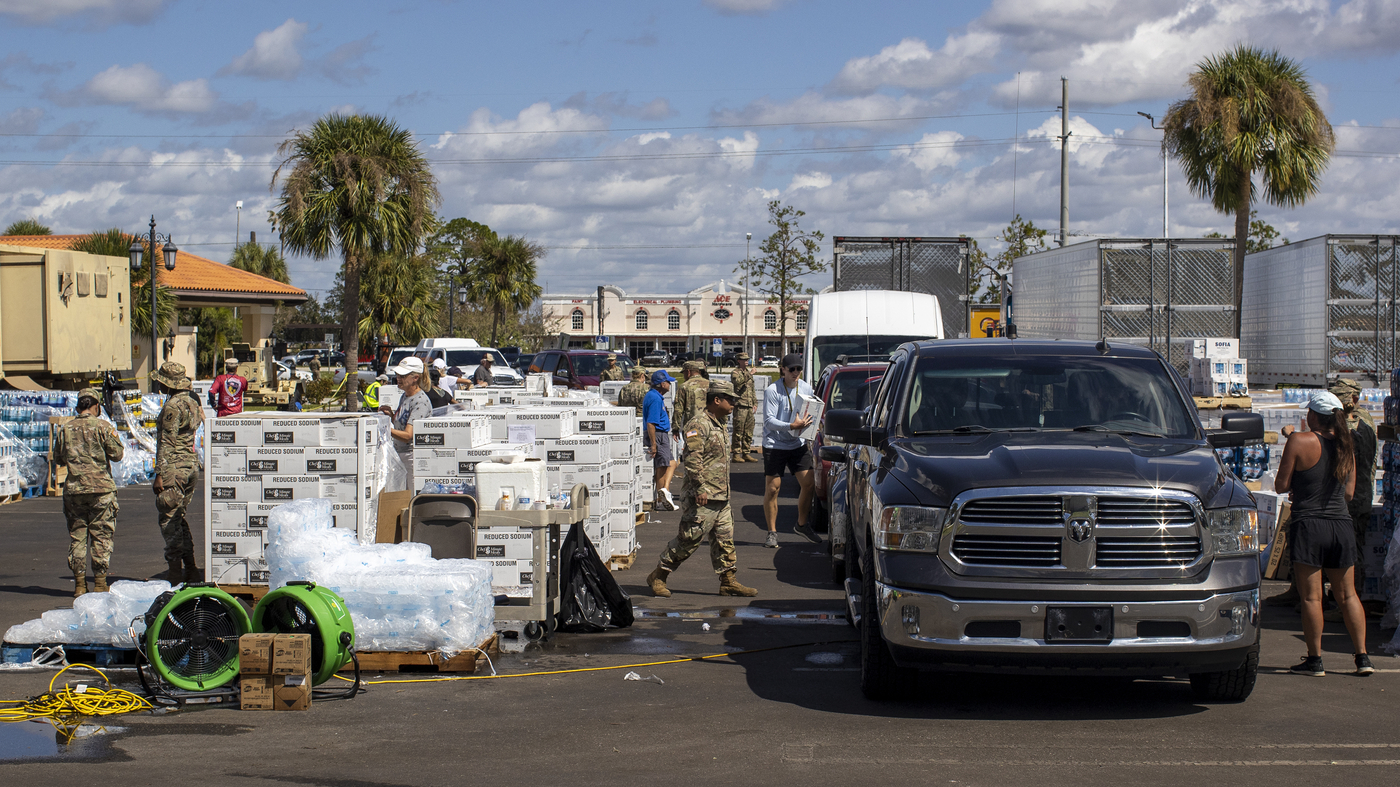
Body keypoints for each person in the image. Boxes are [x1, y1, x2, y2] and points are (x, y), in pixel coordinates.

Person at [1275, 390, 1373, 676]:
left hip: (1309, 525)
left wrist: (1301, 485)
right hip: (1340, 525)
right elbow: (1349, 493)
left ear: (1314, 416)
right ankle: (1363, 657)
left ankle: (1315, 660)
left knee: (1311, 598)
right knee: (1348, 595)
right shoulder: (1346, 446)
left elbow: (1281, 485)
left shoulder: (1299, 440)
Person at [646, 381, 758, 598]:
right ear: (717, 400)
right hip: (703, 496)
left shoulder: (720, 423)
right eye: (730, 399)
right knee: (689, 539)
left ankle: (728, 581)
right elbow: (692, 460)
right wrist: (700, 488)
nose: (734, 403)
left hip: (721, 495)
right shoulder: (698, 425)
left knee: (725, 540)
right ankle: (659, 575)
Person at [53, 388, 125, 597]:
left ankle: (79, 585)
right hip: (101, 491)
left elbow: (59, 458)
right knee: (101, 536)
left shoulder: (66, 429)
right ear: (96, 406)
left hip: (75, 491)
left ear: (78, 407)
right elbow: (117, 454)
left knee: (77, 537)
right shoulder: (103, 427)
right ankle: (100, 583)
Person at [151, 361, 205, 584]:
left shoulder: (173, 406)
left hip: (174, 468)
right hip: (190, 466)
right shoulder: (193, 402)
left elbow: (167, 441)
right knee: (178, 517)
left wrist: (159, 474)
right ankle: (191, 568)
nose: (159, 386)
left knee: (169, 522)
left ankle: (175, 573)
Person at [761, 353, 817, 548]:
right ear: (782, 370)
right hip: (775, 444)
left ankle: (801, 524)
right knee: (773, 488)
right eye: (791, 369)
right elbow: (769, 421)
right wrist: (791, 426)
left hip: (797, 443)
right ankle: (772, 532)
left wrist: (813, 427)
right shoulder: (773, 391)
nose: (795, 373)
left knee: (809, 483)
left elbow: (811, 411)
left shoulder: (806, 388)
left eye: (798, 369)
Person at [382, 356, 431, 491]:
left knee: (410, 495)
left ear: (415, 378)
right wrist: (391, 416)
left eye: (402, 376)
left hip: (412, 457)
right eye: (398, 375)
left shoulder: (420, 401)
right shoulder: (406, 396)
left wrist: (384, 429)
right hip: (402, 454)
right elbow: (403, 423)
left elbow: (408, 435)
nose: (398, 378)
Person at [644, 369, 679, 511]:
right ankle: (662, 496)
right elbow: (651, 423)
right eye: (668, 382)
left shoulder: (655, 396)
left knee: (670, 463)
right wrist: (654, 444)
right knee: (663, 465)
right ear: (662, 384)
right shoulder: (655, 398)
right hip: (658, 434)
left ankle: (664, 491)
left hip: (660, 434)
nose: (670, 384)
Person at [730, 353, 756, 462]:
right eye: (744, 359)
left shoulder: (747, 373)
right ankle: (736, 453)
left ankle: (746, 452)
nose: (746, 361)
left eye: (747, 359)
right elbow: (737, 382)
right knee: (738, 430)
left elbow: (752, 389)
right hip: (740, 405)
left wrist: (755, 403)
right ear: (739, 361)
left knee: (748, 431)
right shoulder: (736, 373)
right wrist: (750, 374)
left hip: (749, 405)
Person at [674, 361, 708, 442]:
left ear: (688, 372)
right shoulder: (710, 384)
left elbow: (678, 410)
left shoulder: (684, 386)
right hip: (709, 426)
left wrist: (675, 428)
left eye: (684, 373)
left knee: (692, 448)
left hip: (692, 428)